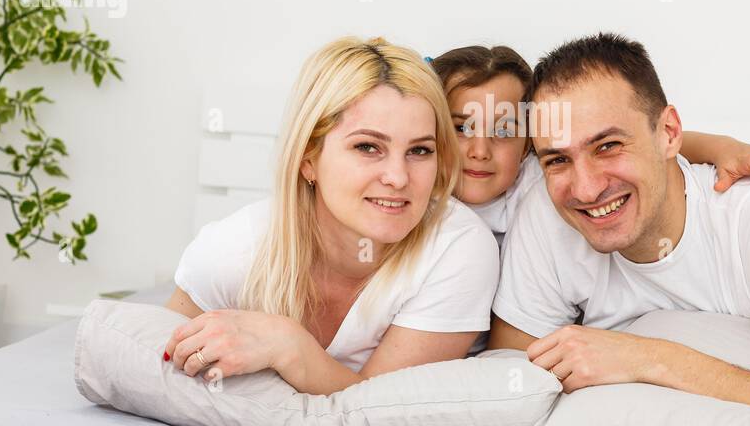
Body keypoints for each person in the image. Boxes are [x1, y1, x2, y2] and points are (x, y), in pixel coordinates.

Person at [487, 32, 750, 426]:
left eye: (608, 146)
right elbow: (508, 384)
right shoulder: (547, 211)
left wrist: (652, 359)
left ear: (669, 133)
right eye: (558, 159)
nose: (586, 189)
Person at [162, 36, 501, 394]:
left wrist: (288, 345)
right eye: (368, 147)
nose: (398, 178)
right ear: (309, 158)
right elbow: (152, 361)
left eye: (419, 150)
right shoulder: (234, 249)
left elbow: (382, 412)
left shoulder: (457, 248)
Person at [428, 44, 750, 249]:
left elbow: (647, 143)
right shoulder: (413, 192)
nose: (478, 150)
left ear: (529, 145)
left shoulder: (541, 185)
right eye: (461, 128)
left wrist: (720, 147)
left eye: (504, 131)